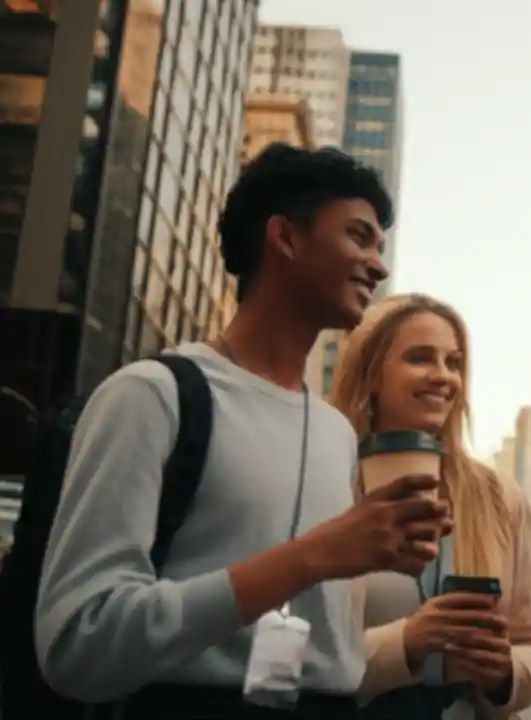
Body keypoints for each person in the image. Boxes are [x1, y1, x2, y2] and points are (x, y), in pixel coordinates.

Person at [35, 144, 449, 718]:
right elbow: (80, 641)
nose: (378, 266)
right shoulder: (151, 395)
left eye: (380, 246)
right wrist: (316, 555)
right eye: (358, 237)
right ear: (285, 237)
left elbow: (335, 649)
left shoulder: (335, 434)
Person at [330, 293, 531, 718]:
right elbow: (289, 647)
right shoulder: (326, 482)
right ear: (371, 373)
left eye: (453, 363)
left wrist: (505, 672)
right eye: (419, 358)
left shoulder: (499, 496)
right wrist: (406, 644)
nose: (443, 377)